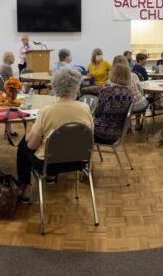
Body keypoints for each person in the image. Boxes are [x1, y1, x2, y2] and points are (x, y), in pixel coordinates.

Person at [17, 67, 93, 202]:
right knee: (62, 141)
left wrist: (29, 135)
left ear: (55, 86)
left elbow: (32, 145)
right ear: (77, 85)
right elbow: (89, 135)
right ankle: (51, 177)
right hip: (79, 160)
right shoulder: (85, 108)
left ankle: (25, 190)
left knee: (23, 146)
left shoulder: (47, 111)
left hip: (48, 163)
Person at [93, 64, 135, 146]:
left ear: (113, 74)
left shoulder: (107, 90)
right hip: (117, 134)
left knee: (78, 130)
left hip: (100, 133)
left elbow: (97, 112)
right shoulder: (130, 92)